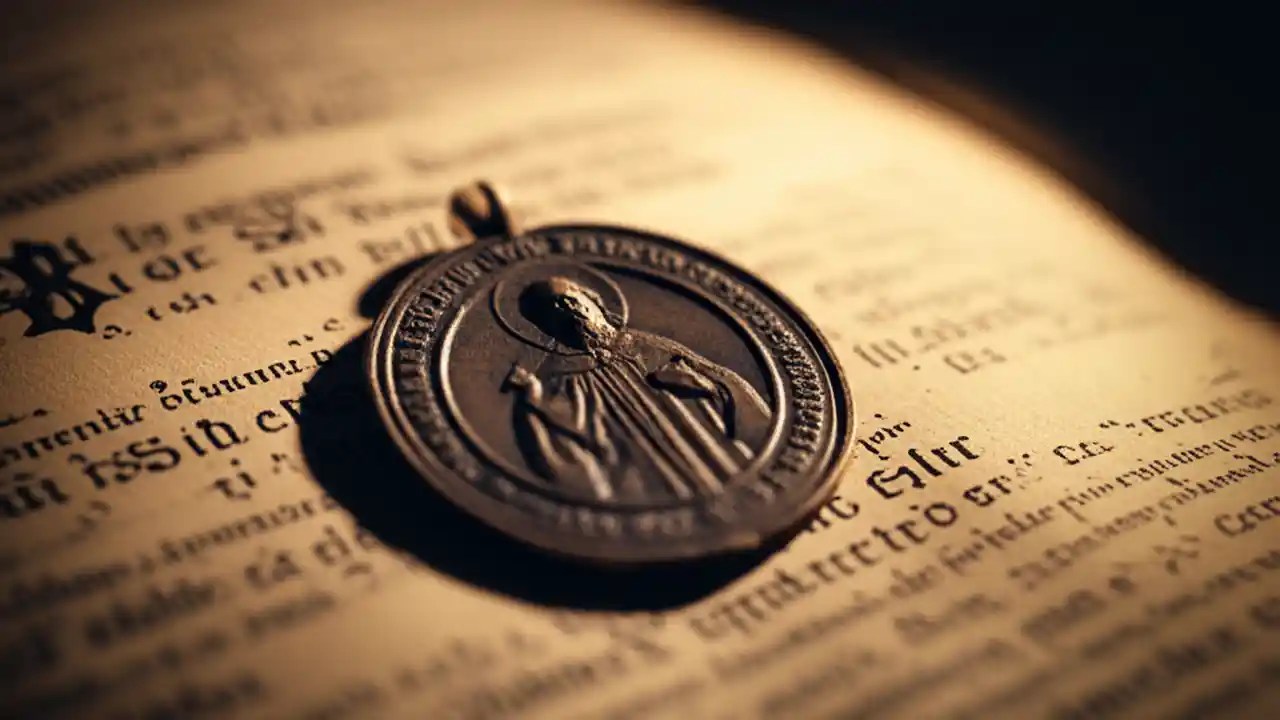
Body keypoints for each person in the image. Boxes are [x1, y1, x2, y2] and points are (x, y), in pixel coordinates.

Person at [502, 276, 771, 502]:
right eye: (555, 308)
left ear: (595, 303)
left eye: (572, 298)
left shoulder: (647, 345)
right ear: (546, 327)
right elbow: (570, 429)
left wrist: (700, 384)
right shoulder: (561, 377)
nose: (570, 309)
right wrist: (535, 398)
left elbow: (720, 380)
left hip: (701, 444)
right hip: (639, 472)